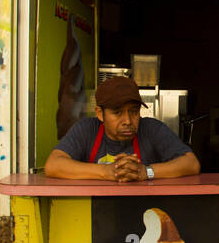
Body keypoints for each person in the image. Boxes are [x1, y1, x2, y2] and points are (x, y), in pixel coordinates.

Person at [45, 76, 200, 181]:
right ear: (100, 113)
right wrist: (107, 172)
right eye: (117, 112)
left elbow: (191, 163)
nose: (127, 121)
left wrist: (146, 172)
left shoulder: (151, 129)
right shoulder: (87, 129)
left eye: (133, 111)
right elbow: (53, 165)